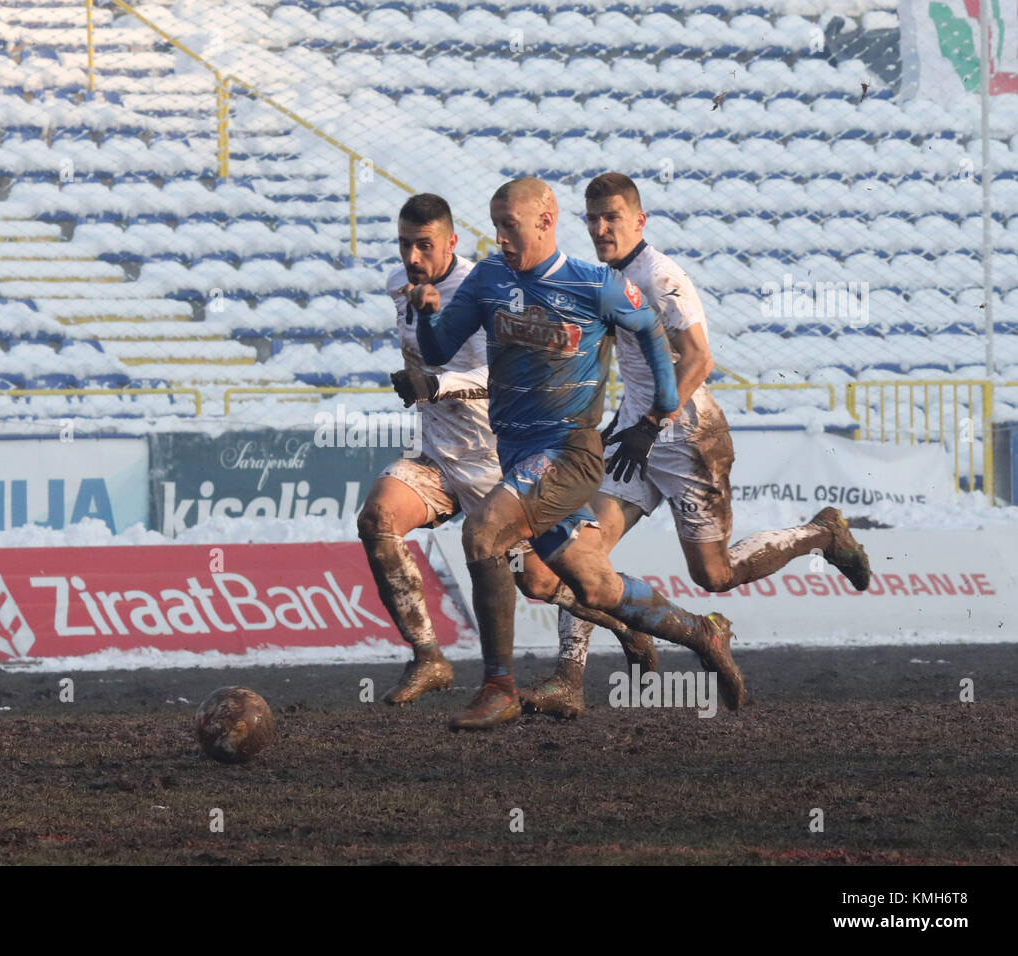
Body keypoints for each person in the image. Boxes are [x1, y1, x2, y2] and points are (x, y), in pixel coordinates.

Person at [517, 172, 872, 718]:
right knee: (574, 557)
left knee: (714, 576)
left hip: (686, 438)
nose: (601, 228)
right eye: (592, 219)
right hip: (635, 437)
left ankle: (822, 532)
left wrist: (652, 421)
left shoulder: (660, 276)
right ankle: (571, 677)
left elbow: (700, 358)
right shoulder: (604, 277)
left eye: (612, 217)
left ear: (639, 220)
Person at [412, 177, 745, 731]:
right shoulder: (490, 280)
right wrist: (426, 312)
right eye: (494, 227)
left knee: (484, 533)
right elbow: (440, 351)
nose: (500, 238)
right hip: (517, 455)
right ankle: (701, 632)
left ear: (546, 220)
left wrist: (661, 405)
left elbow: (649, 331)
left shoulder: (594, 284)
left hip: (568, 453)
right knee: (593, 586)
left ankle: (499, 688)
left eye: (509, 226)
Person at [360, 193, 621, 706]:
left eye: (424, 246)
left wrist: (436, 387)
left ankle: (615, 624)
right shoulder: (400, 285)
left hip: (497, 459)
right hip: (437, 457)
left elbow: (493, 374)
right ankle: (429, 657)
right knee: (376, 519)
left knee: (544, 584)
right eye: (404, 246)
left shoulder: (483, 289)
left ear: (452, 243)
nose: (412, 259)